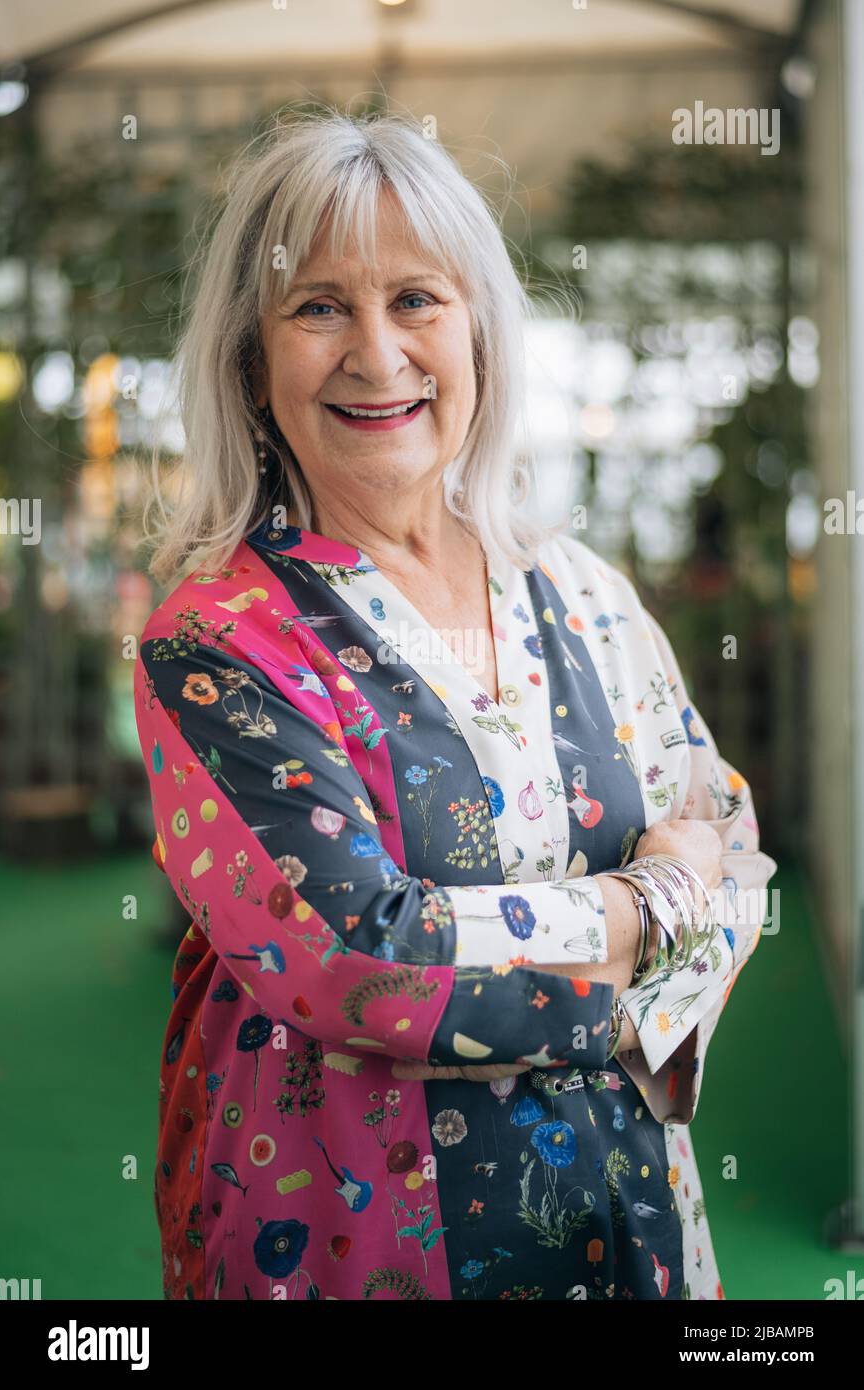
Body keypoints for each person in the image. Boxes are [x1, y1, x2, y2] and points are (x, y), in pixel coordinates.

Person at [135, 107, 778, 1302]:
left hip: (628, 1209)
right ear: (248, 360)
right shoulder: (214, 646)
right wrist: (649, 907)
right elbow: (353, 959)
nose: (376, 354)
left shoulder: (578, 588)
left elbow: (733, 849)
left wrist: (656, 914)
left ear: (479, 328)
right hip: (342, 1231)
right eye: (317, 306)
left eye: (416, 299)